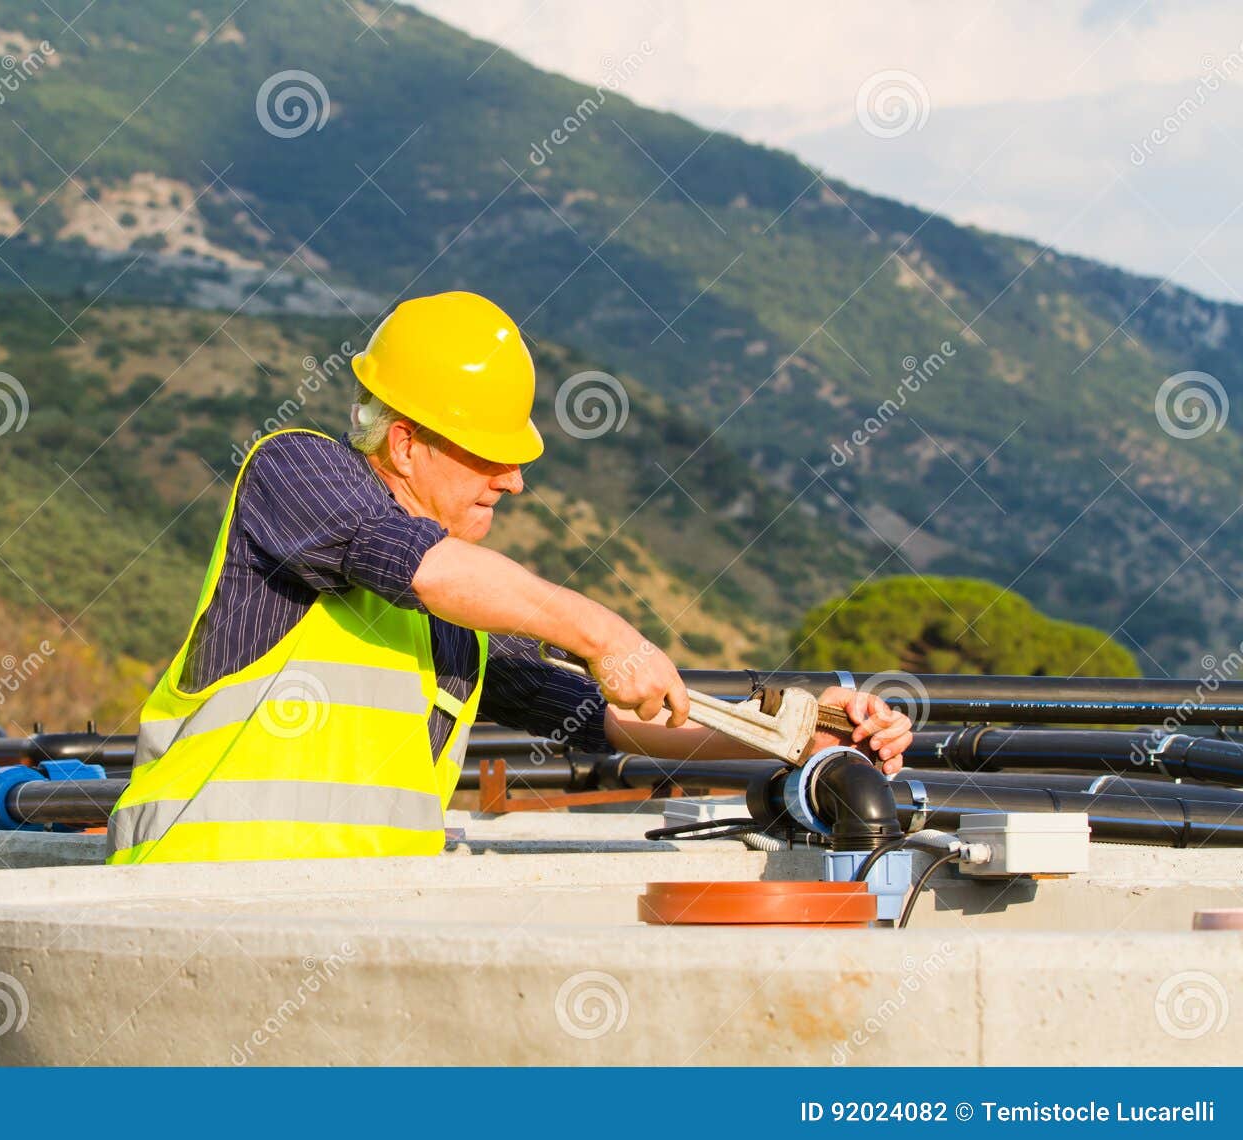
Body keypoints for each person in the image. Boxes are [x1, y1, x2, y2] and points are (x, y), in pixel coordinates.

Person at [107, 291, 913, 864]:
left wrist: (799, 728)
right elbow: (411, 559)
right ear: (403, 443)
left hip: (339, 933)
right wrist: (608, 633)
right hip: (188, 908)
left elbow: (613, 717)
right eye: (488, 454)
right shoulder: (297, 470)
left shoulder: (454, 624)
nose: (514, 480)